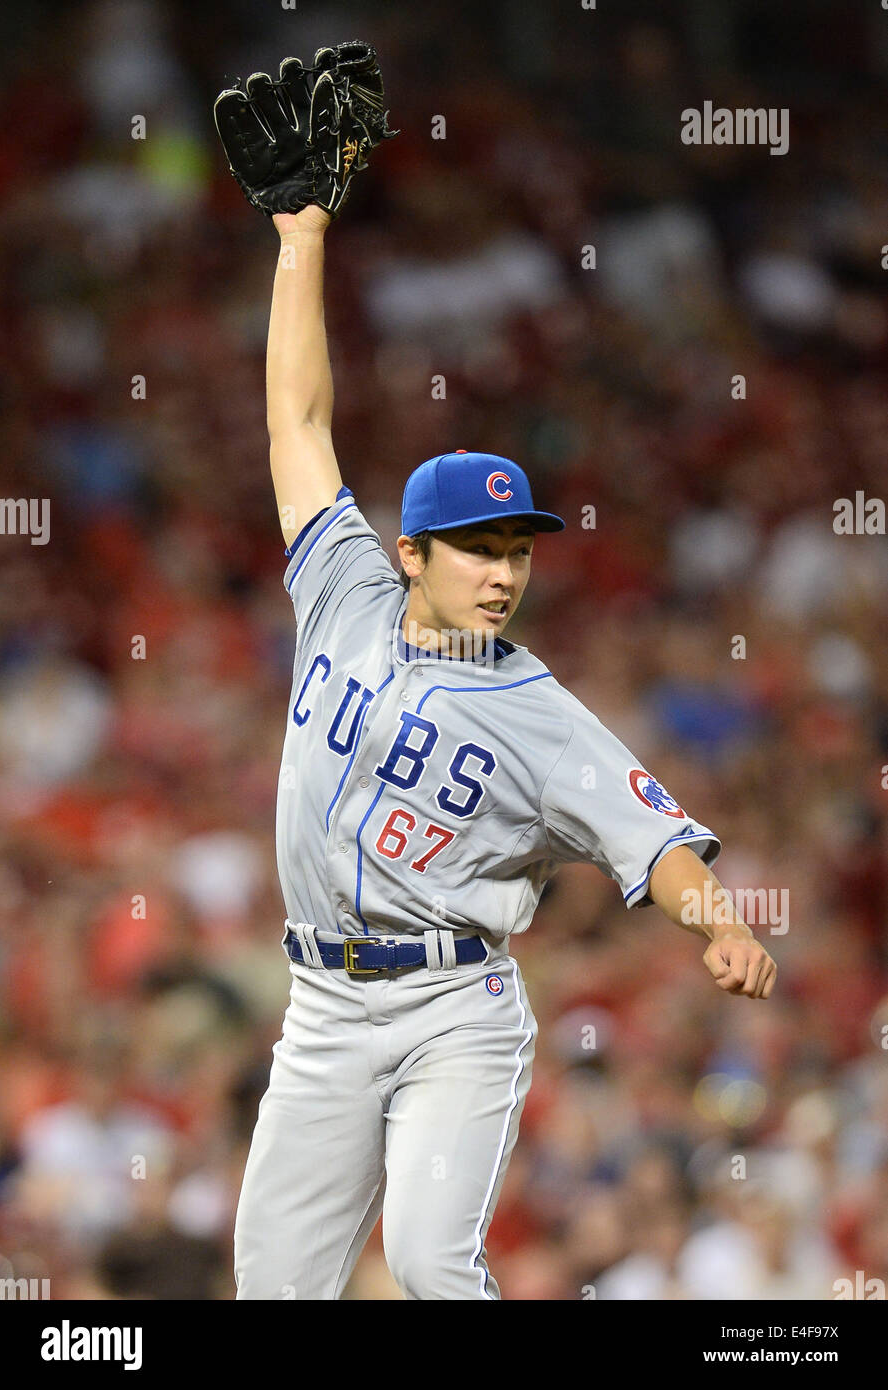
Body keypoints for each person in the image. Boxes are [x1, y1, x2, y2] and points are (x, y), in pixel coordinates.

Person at [232, 203, 777, 1301]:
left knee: (433, 1262)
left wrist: (720, 922)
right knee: (273, 1288)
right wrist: (303, 243)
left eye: (518, 548)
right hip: (323, 1006)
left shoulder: (538, 711)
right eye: (479, 548)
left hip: (453, 1009)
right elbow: (297, 420)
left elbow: (657, 838)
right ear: (412, 553)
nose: (503, 571)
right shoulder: (343, 587)